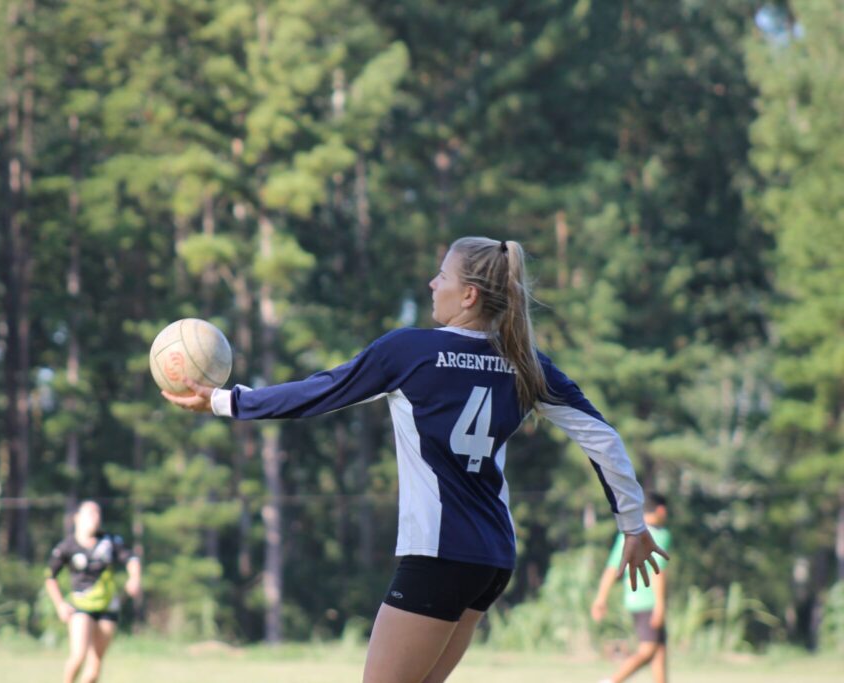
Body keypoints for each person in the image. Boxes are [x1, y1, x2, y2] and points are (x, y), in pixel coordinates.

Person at [165, 237, 668, 683]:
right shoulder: (526, 363)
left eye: (442, 275)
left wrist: (223, 400)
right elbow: (604, 440)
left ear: (468, 294)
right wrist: (632, 525)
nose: (432, 283)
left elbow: (322, 391)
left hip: (438, 555)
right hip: (492, 558)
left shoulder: (411, 352)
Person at [45, 500, 141, 683]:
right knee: (78, 655)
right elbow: (50, 577)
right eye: (90, 513)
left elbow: (132, 559)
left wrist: (134, 578)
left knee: (95, 667)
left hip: (107, 608)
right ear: (77, 518)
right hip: (81, 606)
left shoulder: (109, 541)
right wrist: (60, 604)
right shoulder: (67, 546)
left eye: (98, 514)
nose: (95, 518)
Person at [592, 492, 672, 683]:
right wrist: (660, 605)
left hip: (633, 599)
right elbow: (657, 572)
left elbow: (612, 567)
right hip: (649, 601)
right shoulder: (659, 534)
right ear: (661, 510)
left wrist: (601, 598)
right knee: (649, 650)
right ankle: (612, 680)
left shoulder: (628, 534)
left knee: (659, 652)